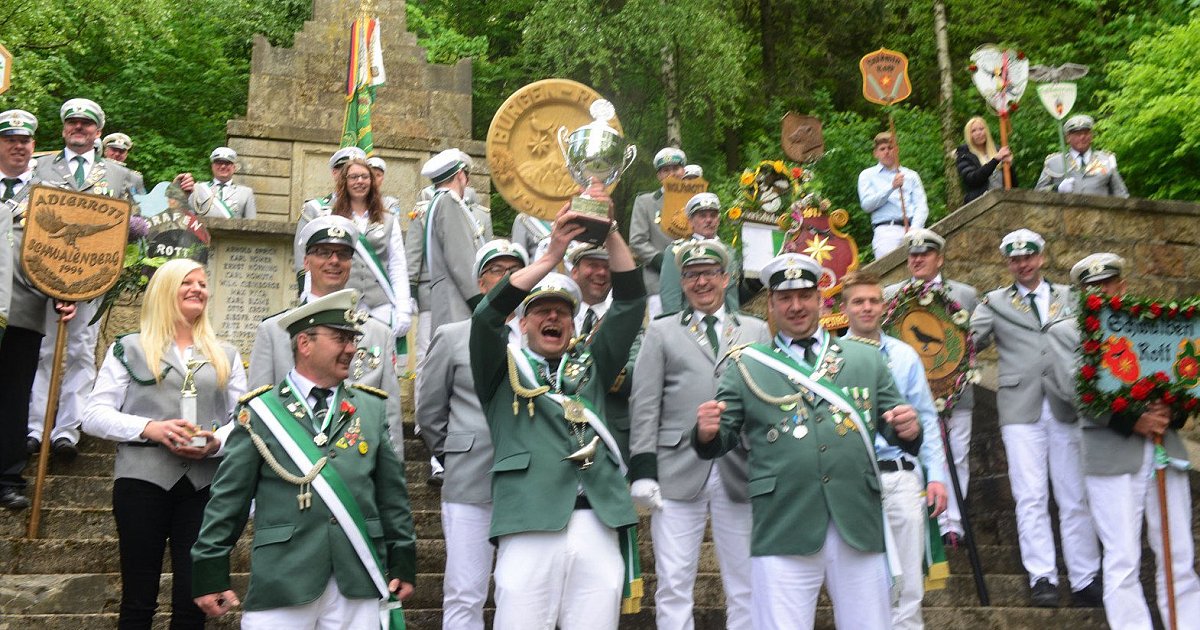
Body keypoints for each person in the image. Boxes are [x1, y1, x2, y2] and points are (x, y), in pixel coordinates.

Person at [692, 252, 920, 630]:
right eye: (785, 297)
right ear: (771, 304)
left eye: (804, 295)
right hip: (784, 520)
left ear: (820, 299)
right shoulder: (747, 364)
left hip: (856, 518)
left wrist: (909, 430)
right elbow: (720, 439)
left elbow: (897, 424)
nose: (795, 306)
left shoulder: (866, 360)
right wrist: (706, 431)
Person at [470, 188, 645, 630]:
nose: (553, 318)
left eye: (562, 312)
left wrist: (612, 233)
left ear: (573, 321)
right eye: (542, 311)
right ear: (523, 321)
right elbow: (484, 319)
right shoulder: (499, 367)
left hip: (598, 520)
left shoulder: (593, 360)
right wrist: (551, 256)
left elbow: (631, 303)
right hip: (530, 519)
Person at [192, 289, 416, 627]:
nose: (352, 349)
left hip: (358, 576)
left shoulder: (370, 407)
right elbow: (229, 499)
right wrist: (210, 568)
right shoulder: (261, 411)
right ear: (305, 344)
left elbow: (392, 495)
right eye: (341, 338)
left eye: (353, 339)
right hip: (283, 577)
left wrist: (402, 560)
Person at [81, 258, 245, 629]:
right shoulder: (129, 348)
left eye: (203, 284)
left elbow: (245, 421)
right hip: (142, 481)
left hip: (204, 485)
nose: (197, 289)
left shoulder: (226, 354)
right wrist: (150, 428)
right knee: (138, 600)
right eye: (187, 282)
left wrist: (216, 442)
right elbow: (93, 415)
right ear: (164, 291)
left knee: (194, 601)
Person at [1046, 253, 1200, 629]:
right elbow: (1076, 393)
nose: (1101, 290)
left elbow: (1181, 375)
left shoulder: (1150, 325)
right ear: (1080, 293)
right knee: (1122, 559)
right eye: (1091, 287)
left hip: (1165, 448)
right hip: (1110, 453)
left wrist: (1171, 412)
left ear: (1122, 286)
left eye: (1108, 283)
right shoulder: (1065, 332)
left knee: (1179, 554)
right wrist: (1135, 420)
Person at [629, 239, 767, 630]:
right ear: (682, 282)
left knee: (745, 582)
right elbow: (644, 404)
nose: (701, 281)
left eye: (709, 273)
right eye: (691, 275)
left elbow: (770, 403)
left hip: (740, 467)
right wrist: (643, 469)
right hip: (676, 469)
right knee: (673, 583)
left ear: (726, 278)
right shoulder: (661, 331)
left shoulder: (756, 331)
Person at [970, 228, 1101, 607]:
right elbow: (966, 341)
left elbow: (1093, 341)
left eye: (1028, 256)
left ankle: (1084, 577)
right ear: (1008, 263)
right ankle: (1041, 576)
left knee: (1073, 493)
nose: (1022, 264)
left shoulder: (1070, 297)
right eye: (1015, 259)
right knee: (1030, 495)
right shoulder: (994, 301)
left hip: (1065, 402)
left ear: (1042, 257)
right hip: (1019, 407)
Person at [416, 239, 527, 630]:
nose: (508, 278)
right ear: (482, 283)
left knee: (523, 592)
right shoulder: (451, 335)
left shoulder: (536, 337)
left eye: (516, 270)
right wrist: (454, 454)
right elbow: (429, 411)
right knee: (466, 592)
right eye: (499, 271)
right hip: (469, 479)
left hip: (528, 485)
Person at [28, 98, 139, 461]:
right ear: (63, 128)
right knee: (44, 352)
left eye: (87, 124)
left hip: (91, 279)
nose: (79, 128)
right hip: (42, 277)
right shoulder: (40, 167)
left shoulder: (117, 174)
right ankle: (35, 428)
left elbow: (130, 223)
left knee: (80, 353)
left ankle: (67, 430)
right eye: (73, 122)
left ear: (98, 131)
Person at [842, 270, 948, 630]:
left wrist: (936, 477)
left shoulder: (904, 356)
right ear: (845, 309)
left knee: (908, 590)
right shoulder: (831, 357)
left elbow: (927, 420)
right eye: (858, 301)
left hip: (900, 475)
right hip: (852, 481)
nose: (867, 308)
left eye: (873, 300)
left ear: (884, 307)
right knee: (858, 584)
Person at [249, 215, 402, 449]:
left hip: (354, 469)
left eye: (342, 254)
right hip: (291, 465)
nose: (334, 261)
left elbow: (390, 419)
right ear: (306, 262)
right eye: (323, 253)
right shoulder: (274, 331)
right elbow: (257, 413)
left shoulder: (378, 334)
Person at [883, 228, 979, 546]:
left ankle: (952, 524)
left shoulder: (964, 295)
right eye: (912, 255)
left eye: (924, 254)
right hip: (910, 394)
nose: (918, 259)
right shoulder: (892, 295)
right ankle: (923, 516)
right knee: (919, 451)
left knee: (959, 455)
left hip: (955, 389)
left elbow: (973, 342)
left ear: (939, 258)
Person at [297, 157, 412, 342]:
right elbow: (317, 259)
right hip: (343, 302)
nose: (360, 182)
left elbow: (397, 265)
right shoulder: (332, 218)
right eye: (353, 177)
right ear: (344, 182)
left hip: (380, 305)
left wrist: (403, 309)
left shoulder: (388, 219)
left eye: (365, 177)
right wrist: (309, 295)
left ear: (372, 181)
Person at [0, 109, 42, 510]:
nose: (18, 145)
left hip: (25, 308)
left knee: (15, 395)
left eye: (25, 140)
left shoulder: (50, 192)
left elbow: (66, 252)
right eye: (10, 138)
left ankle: (9, 477)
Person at [567, 241, 640, 460]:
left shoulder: (627, 320)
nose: (601, 273)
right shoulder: (556, 317)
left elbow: (635, 370)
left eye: (607, 267)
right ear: (574, 271)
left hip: (612, 435)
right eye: (592, 265)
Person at [406, 184, 492, 365]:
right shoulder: (425, 211)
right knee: (428, 352)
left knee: (468, 349)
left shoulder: (480, 214)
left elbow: (488, 254)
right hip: (431, 292)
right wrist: (411, 288)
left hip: (472, 291)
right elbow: (414, 253)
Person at [422, 148, 487, 333]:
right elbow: (461, 260)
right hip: (457, 302)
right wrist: (481, 304)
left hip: (449, 297)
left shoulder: (438, 201)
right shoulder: (449, 202)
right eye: (467, 177)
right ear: (460, 175)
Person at [658, 192, 742, 314]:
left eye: (713, 216)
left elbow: (733, 297)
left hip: (726, 326)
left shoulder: (729, 251)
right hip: (690, 325)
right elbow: (671, 297)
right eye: (702, 216)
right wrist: (676, 329)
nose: (708, 220)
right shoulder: (677, 251)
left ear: (718, 220)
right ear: (690, 221)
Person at [629, 147, 686, 316]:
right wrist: (666, 263)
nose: (672, 174)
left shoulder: (694, 201)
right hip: (658, 284)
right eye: (666, 170)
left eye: (676, 168)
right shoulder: (645, 202)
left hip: (695, 283)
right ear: (659, 176)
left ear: (683, 171)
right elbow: (637, 241)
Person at [857, 132, 928, 259]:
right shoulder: (867, 175)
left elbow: (921, 205)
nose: (887, 152)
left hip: (912, 228)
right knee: (890, 275)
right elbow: (867, 205)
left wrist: (915, 229)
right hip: (886, 231)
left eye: (890, 148)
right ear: (876, 153)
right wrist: (891, 187)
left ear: (897, 150)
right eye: (882, 149)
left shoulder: (911, 175)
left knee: (918, 272)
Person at [1034, 114, 1128, 198]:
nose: (1082, 137)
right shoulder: (1053, 162)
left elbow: (1121, 194)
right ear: (1068, 138)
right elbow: (1037, 194)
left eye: (1086, 133)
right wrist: (1057, 189)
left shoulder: (1107, 160)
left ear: (1091, 136)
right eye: (1077, 134)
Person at [956, 116, 1015, 204]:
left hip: (1004, 203)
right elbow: (973, 179)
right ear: (969, 135)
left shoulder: (997, 151)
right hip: (981, 207)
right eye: (973, 131)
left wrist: (1010, 167)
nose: (979, 133)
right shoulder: (964, 156)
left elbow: (1014, 185)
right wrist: (995, 160)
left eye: (981, 129)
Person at [188, 147, 257, 219]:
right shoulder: (198, 188)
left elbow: (251, 223)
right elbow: (189, 219)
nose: (223, 166)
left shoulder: (246, 193)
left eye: (227, 163)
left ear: (234, 167)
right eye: (219, 163)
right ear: (212, 166)